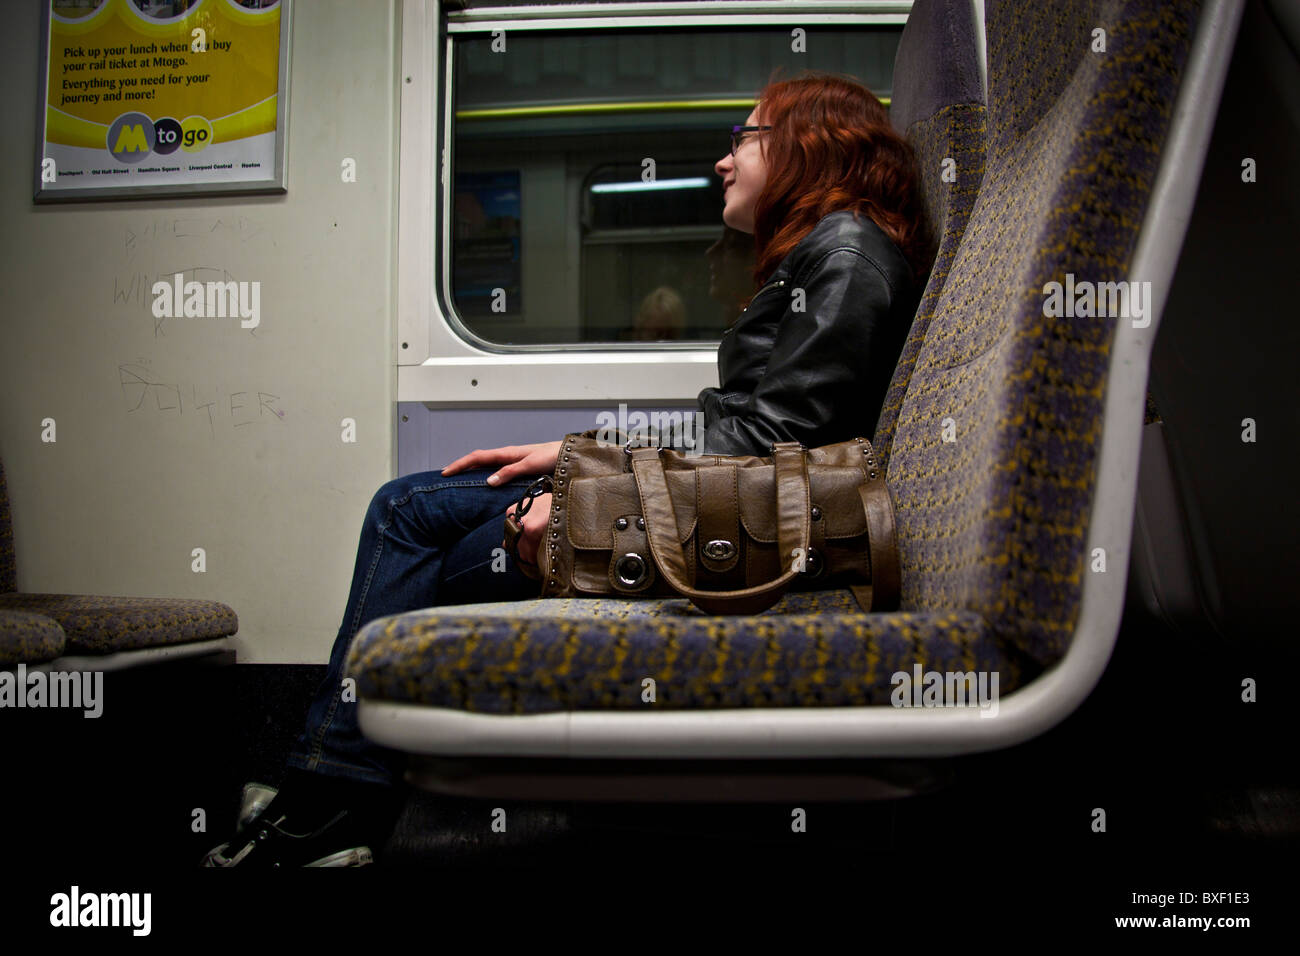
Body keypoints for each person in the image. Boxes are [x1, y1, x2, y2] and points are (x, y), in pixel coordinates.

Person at [201, 70, 931, 867]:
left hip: (739, 533)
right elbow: (753, 430)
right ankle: (336, 802)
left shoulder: (848, 252)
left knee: (407, 518)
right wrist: (577, 453)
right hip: (715, 507)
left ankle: (329, 800)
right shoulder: (829, 253)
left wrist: (595, 487)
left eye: (743, 137)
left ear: (808, 145)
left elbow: (774, 446)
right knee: (419, 522)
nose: (724, 161)